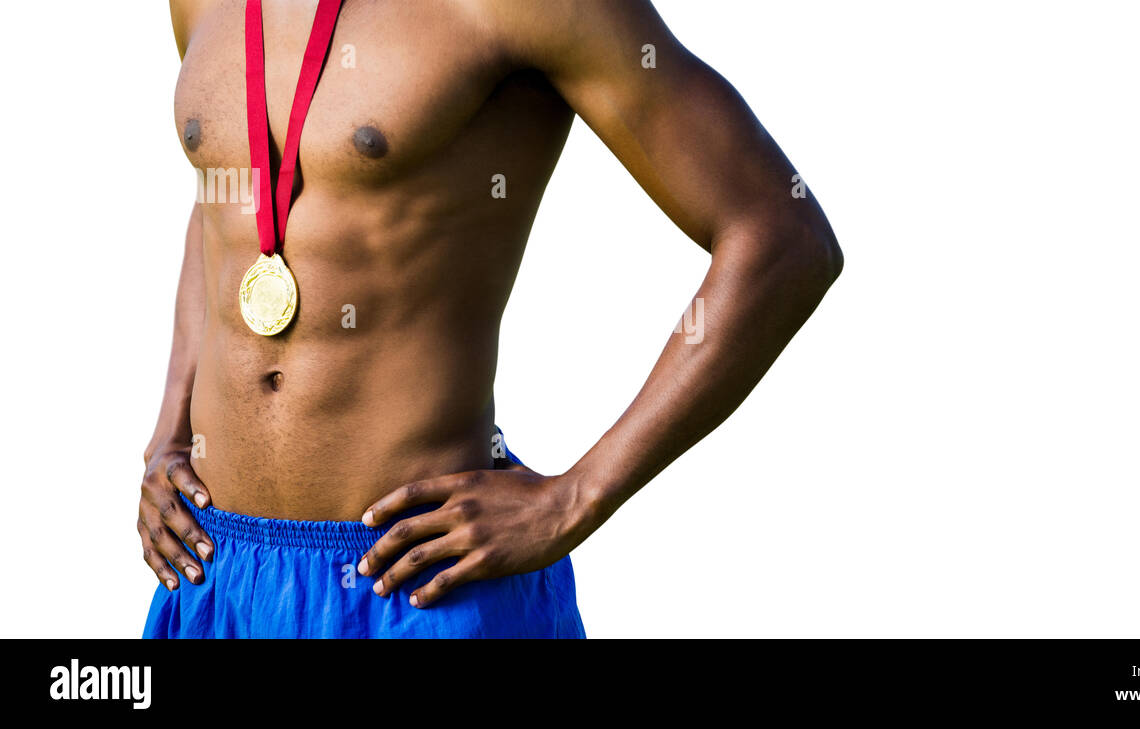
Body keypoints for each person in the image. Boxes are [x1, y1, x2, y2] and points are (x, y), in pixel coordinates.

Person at [140, 0, 842, 638]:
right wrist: (169, 432)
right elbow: (235, 198)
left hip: (420, 585)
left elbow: (781, 234)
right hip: (213, 576)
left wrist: (575, 498)